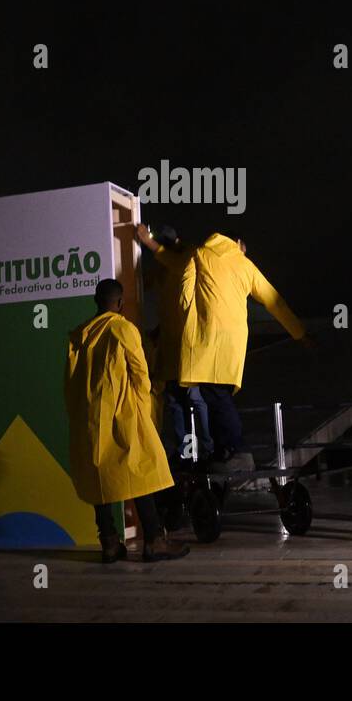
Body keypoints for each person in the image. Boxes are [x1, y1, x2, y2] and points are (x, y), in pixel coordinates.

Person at [64, 278, 189, 563]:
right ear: (120, 303)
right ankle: (155, 541)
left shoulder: (80, 335)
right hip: (124, 413)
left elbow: (70, 383)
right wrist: (145, 409)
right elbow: (140, 373)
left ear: (96, 300)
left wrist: (78, 416)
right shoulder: (123, 328)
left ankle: (108, 542)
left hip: (90, 419)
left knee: (101, 478)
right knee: (141, 474)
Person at [177, 230, 316, 465]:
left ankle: (238, 448)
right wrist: (299, 333)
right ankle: (225, 450)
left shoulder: (199, 255)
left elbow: (183, 298)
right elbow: (274, 301)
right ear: (238, 243)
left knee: (215, 394)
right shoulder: (245, 264)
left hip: (206, 337)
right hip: (234, 340)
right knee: (217, 394)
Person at [135, 222, 213, 464]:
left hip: (189, 346)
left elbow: (172, 261)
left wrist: (147, 242)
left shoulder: (188, 258)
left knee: (195, 398)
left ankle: (209, 448)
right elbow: (143, 284)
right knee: (174, 401)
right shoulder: (163, 269)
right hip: (170, 347)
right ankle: (183, 452)